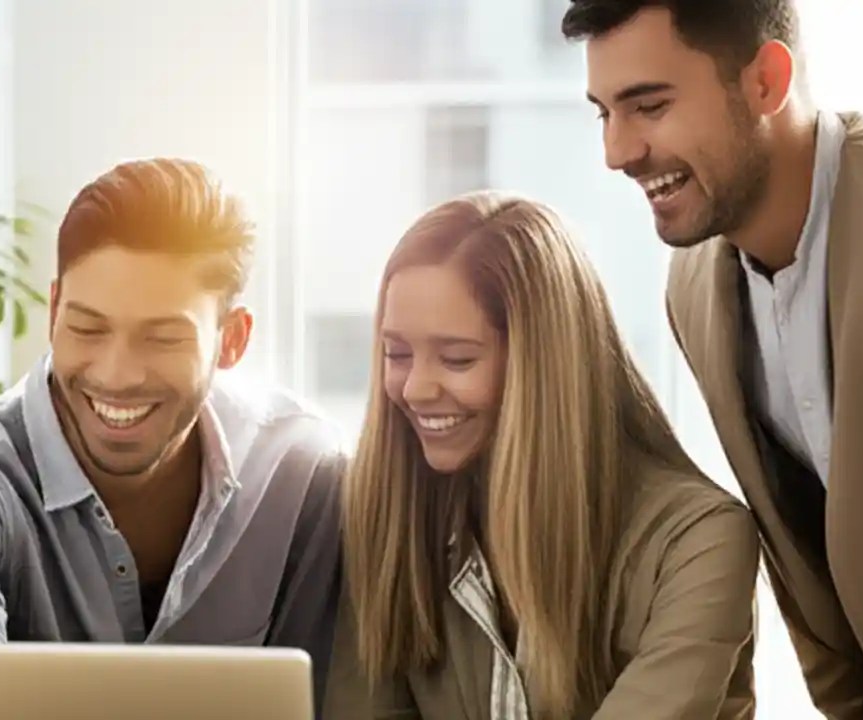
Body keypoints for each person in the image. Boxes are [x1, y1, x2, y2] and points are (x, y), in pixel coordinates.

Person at [0, 158, 346, 703]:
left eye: (163, 339)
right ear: (54, 312)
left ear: (232, 340)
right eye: (87, 328)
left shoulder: (302, 470)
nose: (116, 375)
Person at [561, 0, 863, 715]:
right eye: (604, 113)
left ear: (765, 82)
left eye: (648, 106)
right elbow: (814, 578)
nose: (617, 152)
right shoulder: (694, 291)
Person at [322, 192, 759, 719]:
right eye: (397, 354)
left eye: (457, 359)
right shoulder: (389, 519)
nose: (414, 389)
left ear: (546, 367)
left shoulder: (699, 542)